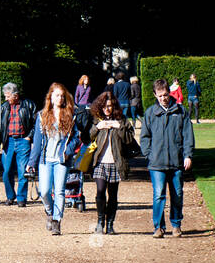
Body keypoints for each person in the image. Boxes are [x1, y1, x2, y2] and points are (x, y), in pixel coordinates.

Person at [139, 78, 194, 238]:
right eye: (160, 95)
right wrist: (149, 154)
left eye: (165, 95)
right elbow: (144, 137)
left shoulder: (180, 111)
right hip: (157, 163)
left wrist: (188, 155)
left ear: (169, 93)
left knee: (177, 194)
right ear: (155, 95)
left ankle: (176, 225)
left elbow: (188, 135)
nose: (163, 98)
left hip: (176, 162)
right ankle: (158, 227)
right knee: (159, 195)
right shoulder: (150, 113)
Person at [25, 82, 82, 235]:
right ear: (50, 97)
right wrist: (31, 162)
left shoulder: (71, 115)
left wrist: (68, 151)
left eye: (62, 96)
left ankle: (57, 221)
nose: (60, 98)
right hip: (45, 159)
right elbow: (37, 141)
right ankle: (50, 212)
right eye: (57, 95)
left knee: (59, 191)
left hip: (62, 160)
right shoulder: (41, 115)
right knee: (44, 191)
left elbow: (76, 138)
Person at [84, 91, 135, 235]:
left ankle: (110, 224)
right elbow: (86, 137)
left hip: (115, 162)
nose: (108, 109)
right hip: (99, 162)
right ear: (100, 106)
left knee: (113, 195)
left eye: (110, 106)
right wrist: (97, 127)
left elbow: (130, 140)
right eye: (105, 106)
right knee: (100, 192)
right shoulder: (95, 120)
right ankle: (100, 221)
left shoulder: (122, 120)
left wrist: (119, 127)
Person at [0, 82, 37, 207]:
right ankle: (10, 196)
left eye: (8, 96)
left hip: (23, 141)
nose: (6, 99)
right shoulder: (3, 107)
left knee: (23, 171)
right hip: (9, 142)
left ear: (15, 95)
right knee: (6, 172)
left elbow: (36, 124)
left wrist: (30, 137)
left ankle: (21, 198)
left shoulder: (29, 105)